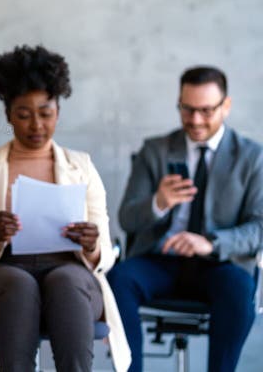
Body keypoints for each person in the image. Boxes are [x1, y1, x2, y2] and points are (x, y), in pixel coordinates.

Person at [0, 45, 130, 372]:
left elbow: (106, 253)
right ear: (8, 114)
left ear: (58, 112)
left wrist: (90, 245)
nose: (36, 124)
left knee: (66, 282)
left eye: (45, 113)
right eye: (23, 114)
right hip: (2, 273)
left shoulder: (83, 167)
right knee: (18, 284)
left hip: (69, 270)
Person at [108, 66, 263, 372]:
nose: (194, 120)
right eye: (187, 109)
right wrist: (158, 203)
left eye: (205, 111)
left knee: (239, 290)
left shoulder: (252, 157)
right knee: (119, 280)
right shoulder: (155, 151)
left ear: (226, 106)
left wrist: (211, 243)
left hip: (220, 263)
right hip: (160, 259)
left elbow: (259, 227)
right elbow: (127, 218)